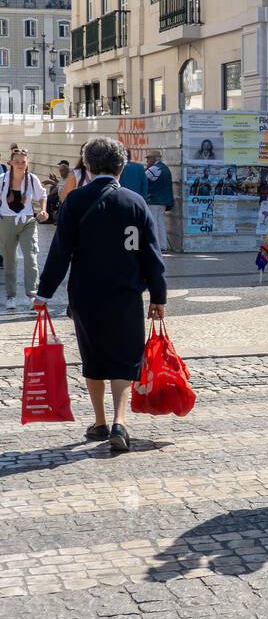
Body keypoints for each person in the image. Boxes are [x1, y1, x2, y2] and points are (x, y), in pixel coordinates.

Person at [34, 136, 167, 453]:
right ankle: (121, 421)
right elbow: (151, 255)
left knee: (93, 356)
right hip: (126, 295)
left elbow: (60, 254)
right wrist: (158, 297)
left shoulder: (76, 202)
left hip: (86, 294)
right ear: (122, 166)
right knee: (124, 359)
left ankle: (99, 422)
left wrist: (44, 294)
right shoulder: (135, 202)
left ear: (88, 167)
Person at [0, 147, 48, 310]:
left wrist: (43, 209)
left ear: (28, 163)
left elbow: (42, 195)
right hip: (6, 221)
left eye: (23, 162)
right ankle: (10, 296)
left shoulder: (32, 178)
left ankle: (32, 295)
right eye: (17, 162)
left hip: (27, 221)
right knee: (9, 259)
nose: (20, 164)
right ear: (11, 163)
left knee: (31, 256)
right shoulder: (3, 179)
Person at [145, 149, 174, 253]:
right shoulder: (165, 168)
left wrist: (146, 168)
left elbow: (144, 177)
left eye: (149, 158)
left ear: (154, 158)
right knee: (161, 223)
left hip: (153, 200)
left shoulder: (154, 169)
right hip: (163, 201)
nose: (147, 161)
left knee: (154, 223)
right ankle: (163, 245)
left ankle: (155, 245)